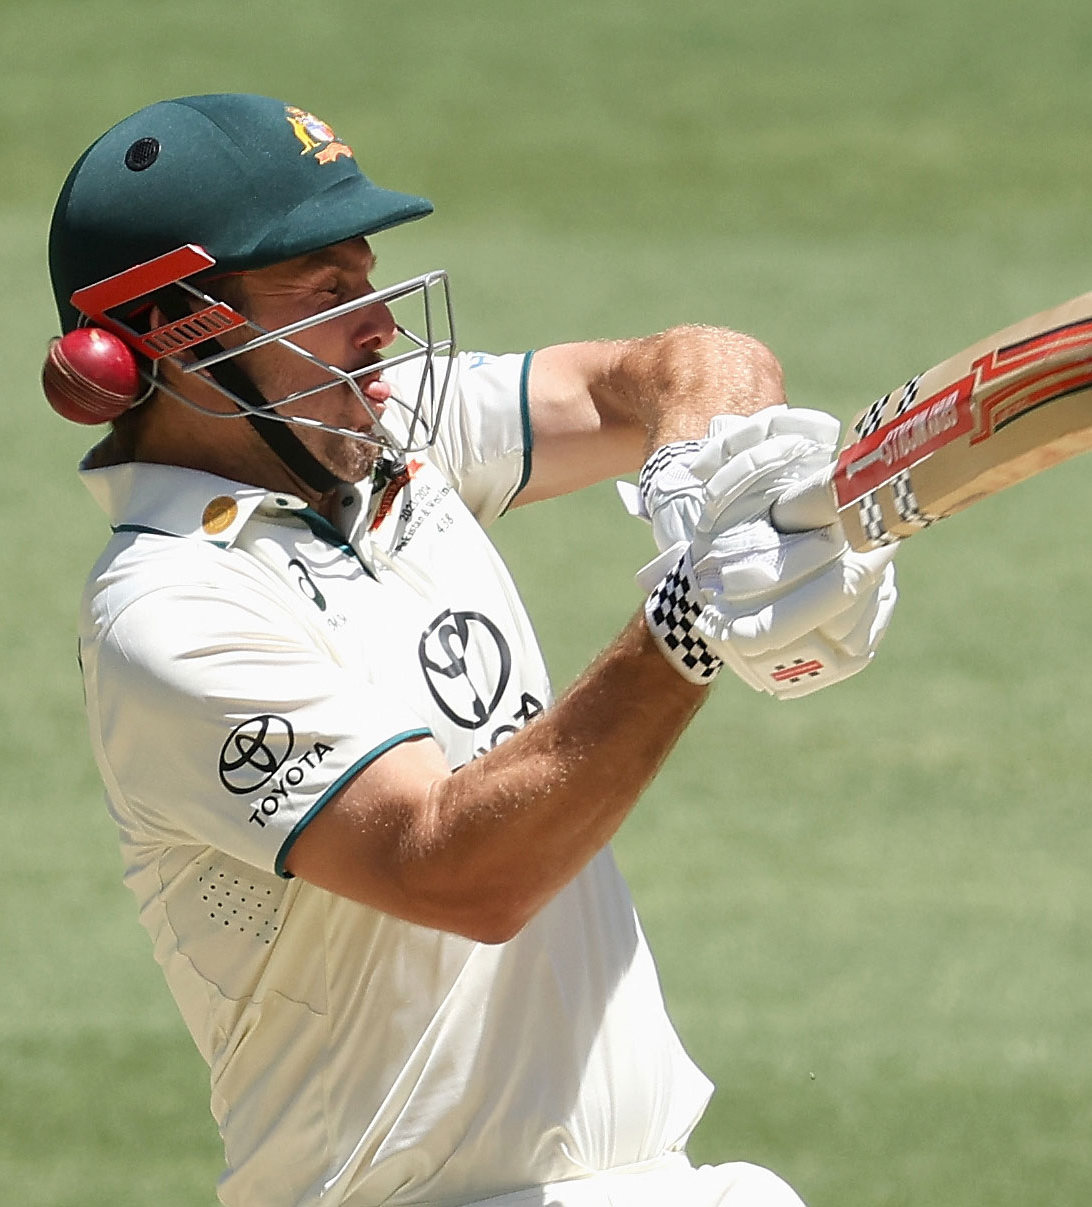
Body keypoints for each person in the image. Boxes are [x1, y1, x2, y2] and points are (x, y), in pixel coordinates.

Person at [47, 93, 898, 1207]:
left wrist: (713, 475)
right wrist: (687, 623)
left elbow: (675, 366)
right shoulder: (169, 610)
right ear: (173, 335)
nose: (381, 327)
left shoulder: (386, 436)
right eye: (327, 292)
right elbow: (450, 868)